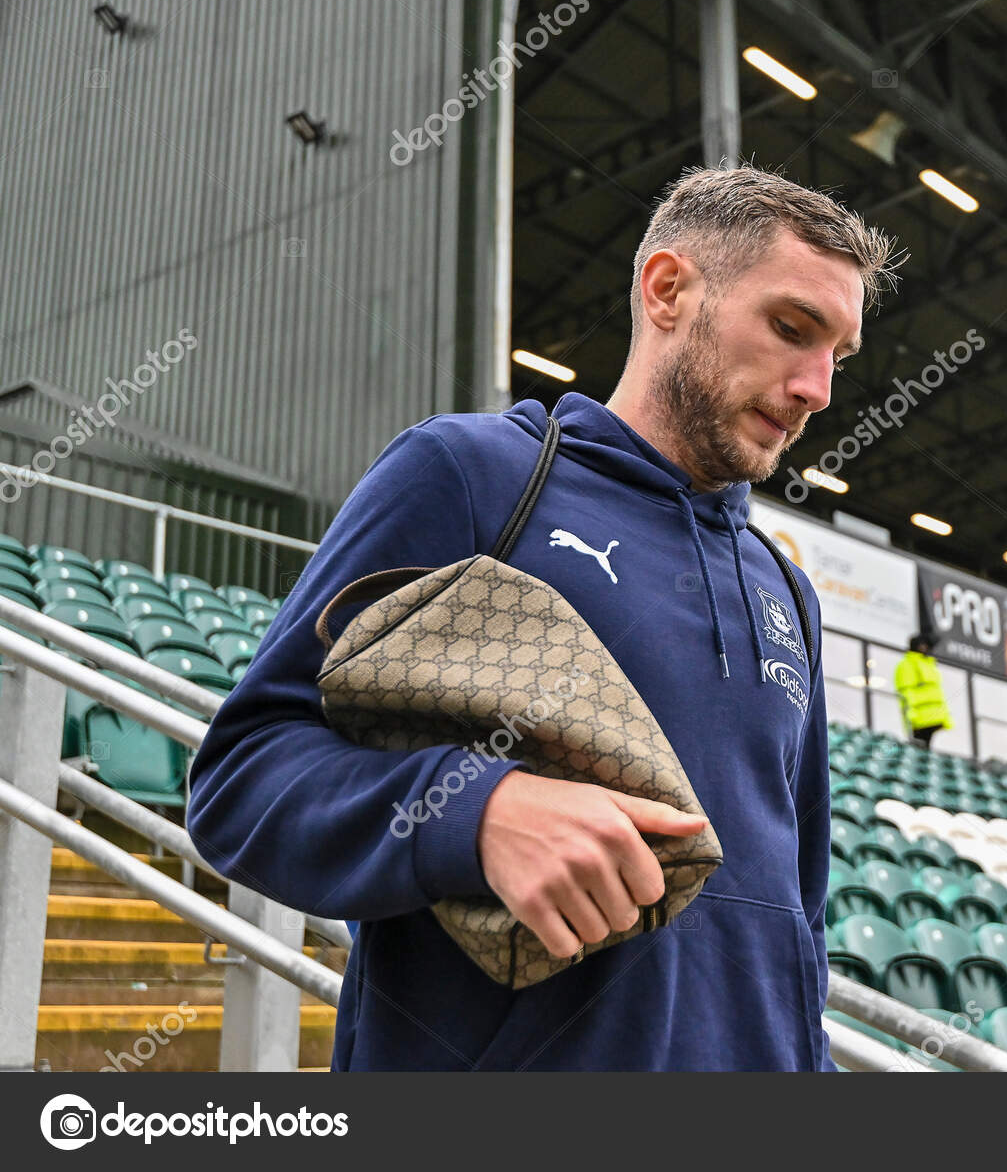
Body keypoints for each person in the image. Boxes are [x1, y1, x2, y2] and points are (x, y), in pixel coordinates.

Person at [188, 164, 902, 1070]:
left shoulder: (785, 589)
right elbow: (243, 781)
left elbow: (796, 920)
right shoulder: (475, 476)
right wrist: (477, 812)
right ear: (668, 289)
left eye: (837, 356)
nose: (817, 388)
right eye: (792, 329)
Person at [894, 632, 951, 749]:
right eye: (922, 645)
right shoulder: (907, 664)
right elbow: (906, 690)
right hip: (919, 717)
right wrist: (911, 714)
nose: (925, 648)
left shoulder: (928, 663)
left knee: (926, 747)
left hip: (933, 715)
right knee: (920, 746)